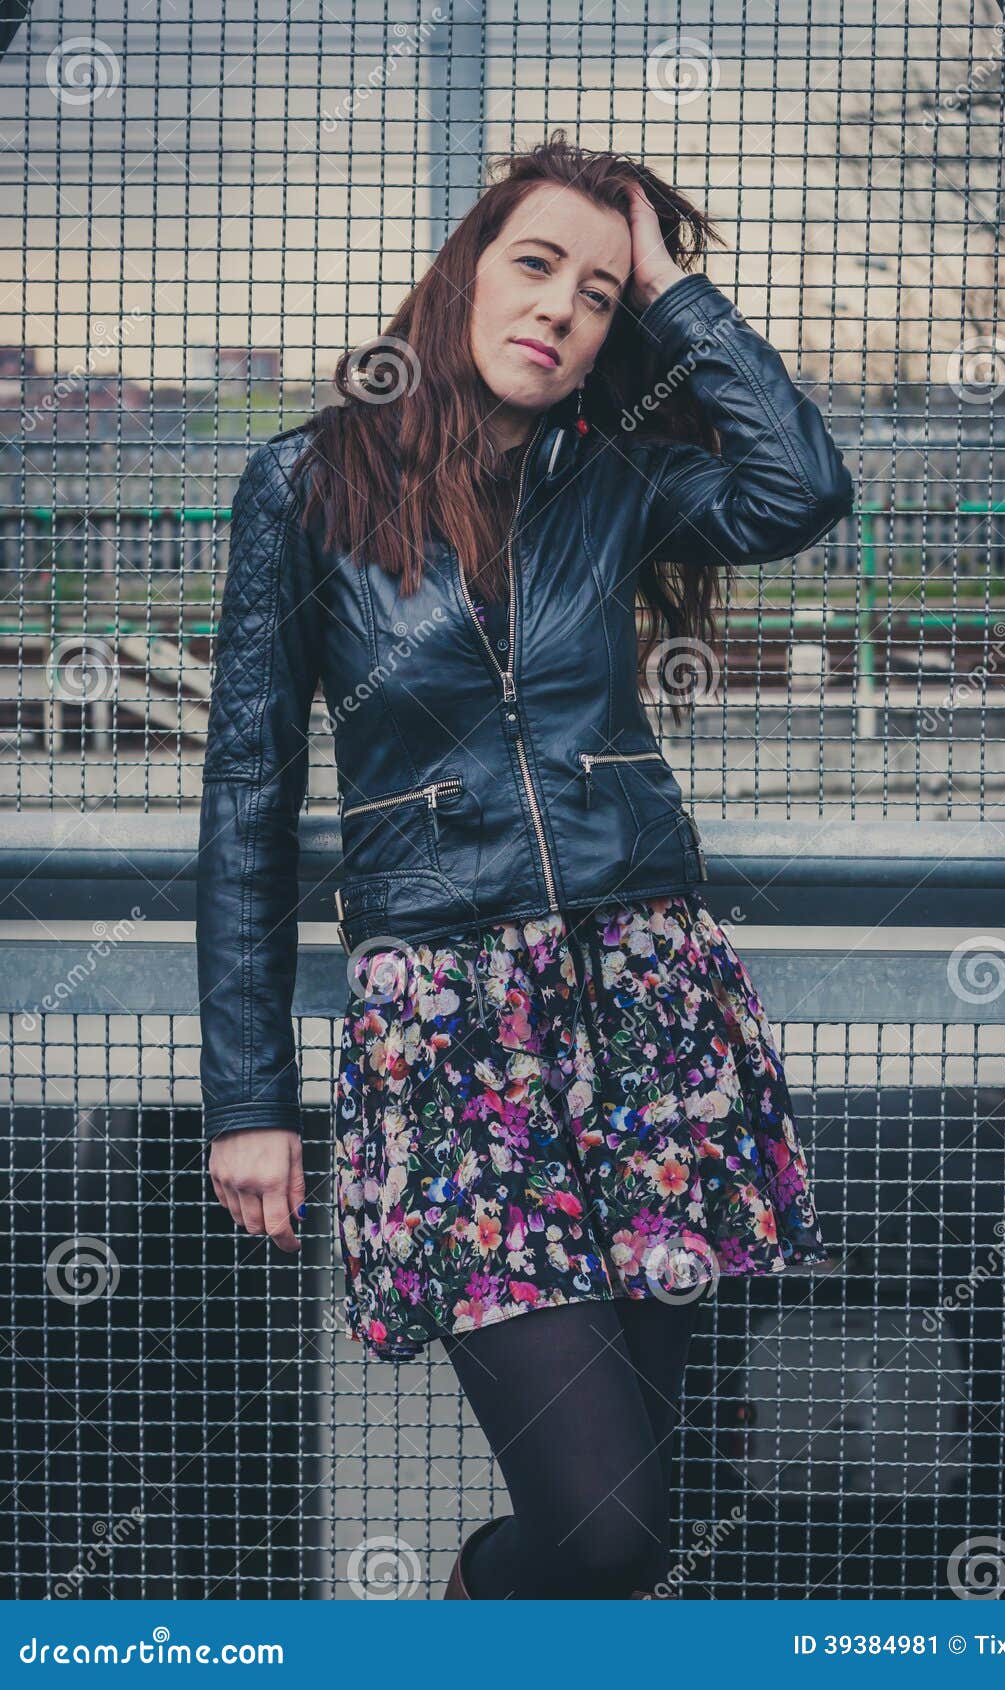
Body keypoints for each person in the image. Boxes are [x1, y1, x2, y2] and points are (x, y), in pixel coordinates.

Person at [196, 130, 853, 1600]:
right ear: (464, 274)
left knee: (644, 1515)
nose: (561, 308)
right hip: (450, 1029)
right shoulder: (304, 486)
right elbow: (247, 796)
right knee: (605, 1520)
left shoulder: (613, 479)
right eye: (536, 264)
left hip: (648, 1002)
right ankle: (482, 1604)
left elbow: (801, 488)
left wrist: (677, 286)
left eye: (601, 294)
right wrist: (249, 1096)